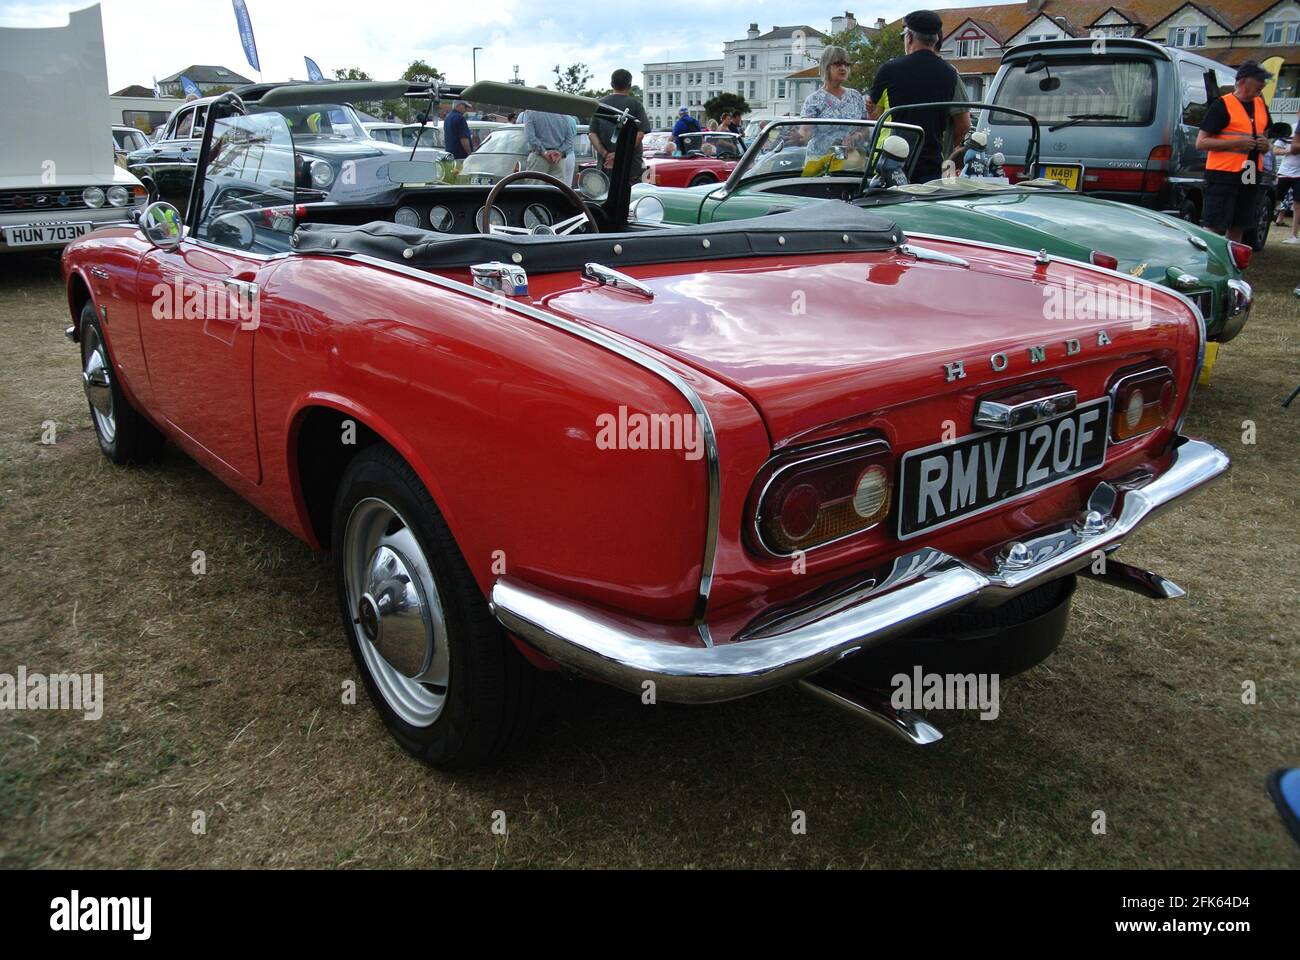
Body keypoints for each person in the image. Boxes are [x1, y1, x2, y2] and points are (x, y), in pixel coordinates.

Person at [867, 10, 971, 183]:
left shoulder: (889, 70)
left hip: (894, 163)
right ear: (936, 39)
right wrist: (948, 149)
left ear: (909, 38)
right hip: (934, 164)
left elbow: (874, 116)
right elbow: (964, 124)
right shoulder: (950, 74)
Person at [1197, 61, 1273, 243]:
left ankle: (1233, 265)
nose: (1263, 84)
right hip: (1223, 175)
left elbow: (1266, 137)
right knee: (1215, 224)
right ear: (1243, 81)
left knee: (1239, 223)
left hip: (1251, 174)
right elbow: (1201, 142)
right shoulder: (1222, 105)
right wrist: (1236, 143)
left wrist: (1266, 145)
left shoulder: (1261, 105)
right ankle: (1210, 262)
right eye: (1259, 80)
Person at [801, 45, 868, 175]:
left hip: (851, 164)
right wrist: (797, 138)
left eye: (846, 64)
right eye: (837, 64)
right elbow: (805, 132)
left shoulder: (856, 96)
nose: (843, 68)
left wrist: (856, 136)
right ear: (826, 66)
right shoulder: (813, 100)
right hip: (820, 165)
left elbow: (865, 127)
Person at [589, 69, 651, 178]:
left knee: (606, 193)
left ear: (611, 84)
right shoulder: (636, 105)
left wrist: (606, 154)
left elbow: (592, 134)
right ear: (630, 85)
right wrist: (620, 154)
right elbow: (639, 135)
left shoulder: (599, 105)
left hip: (605, 165)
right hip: (631, 166)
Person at [523, 103, 573, 180]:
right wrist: (559, 152)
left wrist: (544, 152)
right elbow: (569, 139)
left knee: (534, 190)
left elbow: (530, 137)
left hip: (539, 158)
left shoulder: (530, 112)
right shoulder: (563, 115)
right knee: (556, 189)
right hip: (558, 160)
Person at [1271, 118, 1300, 241]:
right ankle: (1264, 223)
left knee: (1298, 204)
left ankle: (1294, 235)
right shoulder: (1291, 130)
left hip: (1299, 174)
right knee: (1275, 200)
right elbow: (1275, 150)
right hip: (1285, 171)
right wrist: (1290, 150)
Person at [443, 100, 474, 164]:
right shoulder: (460, 118)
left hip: (450, 156)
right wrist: (470, 154)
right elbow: (463, 138)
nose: (466, 109)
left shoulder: (448, 117)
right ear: (459, 105)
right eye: (465, 107)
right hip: (461, 157)